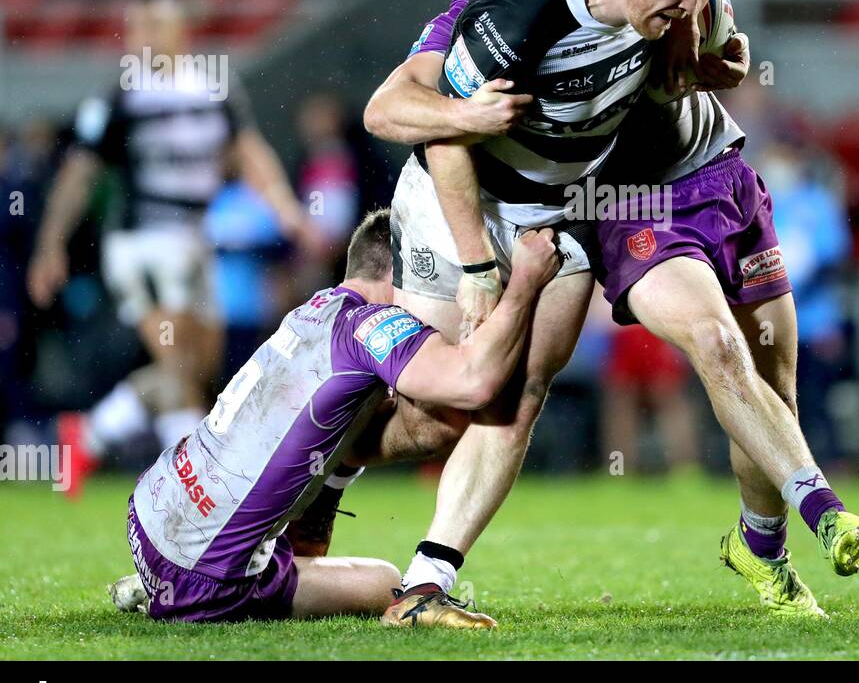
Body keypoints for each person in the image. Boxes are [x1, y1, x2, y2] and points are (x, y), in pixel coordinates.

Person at [406, 0, 859, 623]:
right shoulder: (486, 22)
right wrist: (477, 263)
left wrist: (690, 13)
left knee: (771, 381)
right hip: (615, 202)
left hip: (715, 168)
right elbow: (404, 114)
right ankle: (406, 556)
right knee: (688, 347)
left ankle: (762, 550)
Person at [113, 209, 559, 626]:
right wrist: (524, 283)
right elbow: (472, 383)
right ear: (400, 271)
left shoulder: (313, 309)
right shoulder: (371, 325)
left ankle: (161, 579)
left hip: (150, 511)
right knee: (385, 580)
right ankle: (174, 588)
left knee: (365, 414)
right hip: (203, 575)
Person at [26, 0, 321, 495]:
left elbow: (249, 153)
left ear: (181, 32)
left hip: (194, 242)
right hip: (142, 244)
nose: (144, 37)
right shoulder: (120, 96)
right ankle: (196, 487)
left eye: (155, 26)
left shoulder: (214, 88)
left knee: (195, 372)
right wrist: (50, 243)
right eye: (137, 28)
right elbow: (79, 172)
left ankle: (90, 433)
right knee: (179, 366)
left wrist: (289, 213)